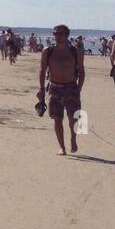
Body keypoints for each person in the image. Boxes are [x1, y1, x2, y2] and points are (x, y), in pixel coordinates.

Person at [38, 24, 85, 156]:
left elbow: (81, 71)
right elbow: (42, 70)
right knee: (57, 118)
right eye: (55, 33)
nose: (57, 36)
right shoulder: (48, 51)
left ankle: (73, 138)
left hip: (71, 87)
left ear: (67, 35)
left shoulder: (75, 51)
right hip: (54, 88)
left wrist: (79, 89)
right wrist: (41, 88)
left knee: (73, 118)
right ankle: (62, 147)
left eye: (60, 33)